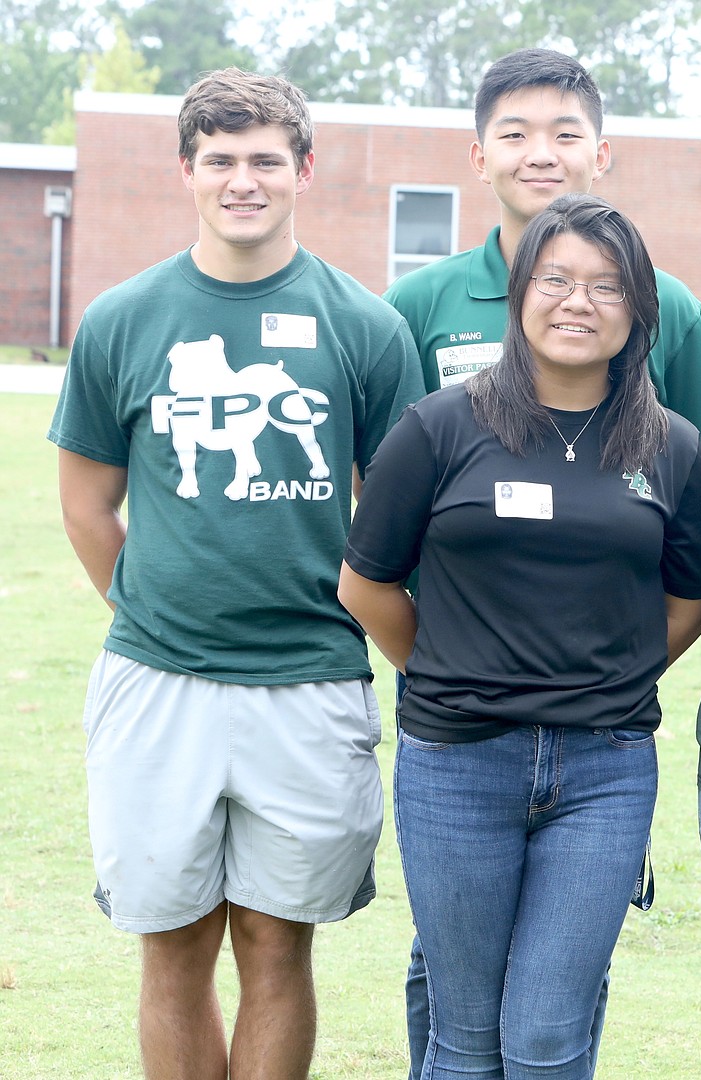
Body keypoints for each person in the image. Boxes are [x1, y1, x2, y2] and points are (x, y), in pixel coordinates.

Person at [49, 69, 422, 1079]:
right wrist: (155, 604)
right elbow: (87, 503)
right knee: (171, 951)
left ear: (303, 170)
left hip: (309, 681)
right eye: (221, 159)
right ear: (187, 171)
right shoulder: (127, 319)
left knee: (275, 944)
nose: (243, 180)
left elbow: (395, 520)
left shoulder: (366, 328)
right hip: (157, 684)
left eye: (265, 159)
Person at [380, 49, 701, 1074]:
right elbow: (372, 568)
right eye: (557, 282)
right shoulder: (440, 396)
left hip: (603, 756)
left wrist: (594, 670)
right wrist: (447, 664)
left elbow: (679, 582)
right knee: (461, 1019)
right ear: (518, 295)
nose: (580, 302)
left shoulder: (668, 429)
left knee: (547, 1031)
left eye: (607, 287)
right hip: (457, 746)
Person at [384, 48, 701, 454]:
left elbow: (690, 473)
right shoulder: (416, 302)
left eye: (566, 135)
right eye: (514, 135)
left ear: (600, 157)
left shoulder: (671, 306)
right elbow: (387, 474)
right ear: (481, 160)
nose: (541, 156)